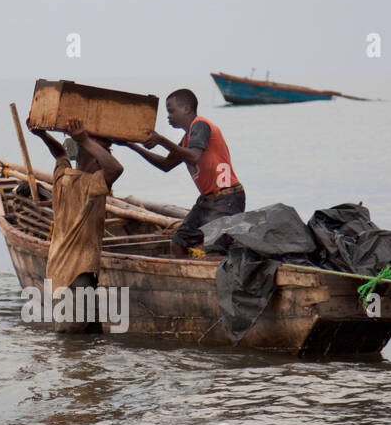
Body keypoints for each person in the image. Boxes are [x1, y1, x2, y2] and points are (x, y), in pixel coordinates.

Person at [28, 117, 123, 332]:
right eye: (106, 152)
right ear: (97, 160)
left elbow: (60, 154)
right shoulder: (90, 184)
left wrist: (42, 135)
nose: (109, 156)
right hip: (75, 275)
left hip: (65, 270)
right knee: (72, 339)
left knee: (86, 341)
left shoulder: (62, 176)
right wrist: (84, 139)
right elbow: (116, 169)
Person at [125, 88, 245, 255]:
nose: (168, 116)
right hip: (208, 201)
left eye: (171, 111)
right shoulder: (187, 139)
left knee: (216, 250)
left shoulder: (201, 125)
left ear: (186, 109)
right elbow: (166, 164)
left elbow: (194, 156)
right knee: (178, 243)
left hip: (227, 198)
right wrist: (133, 146)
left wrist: (161, 140)